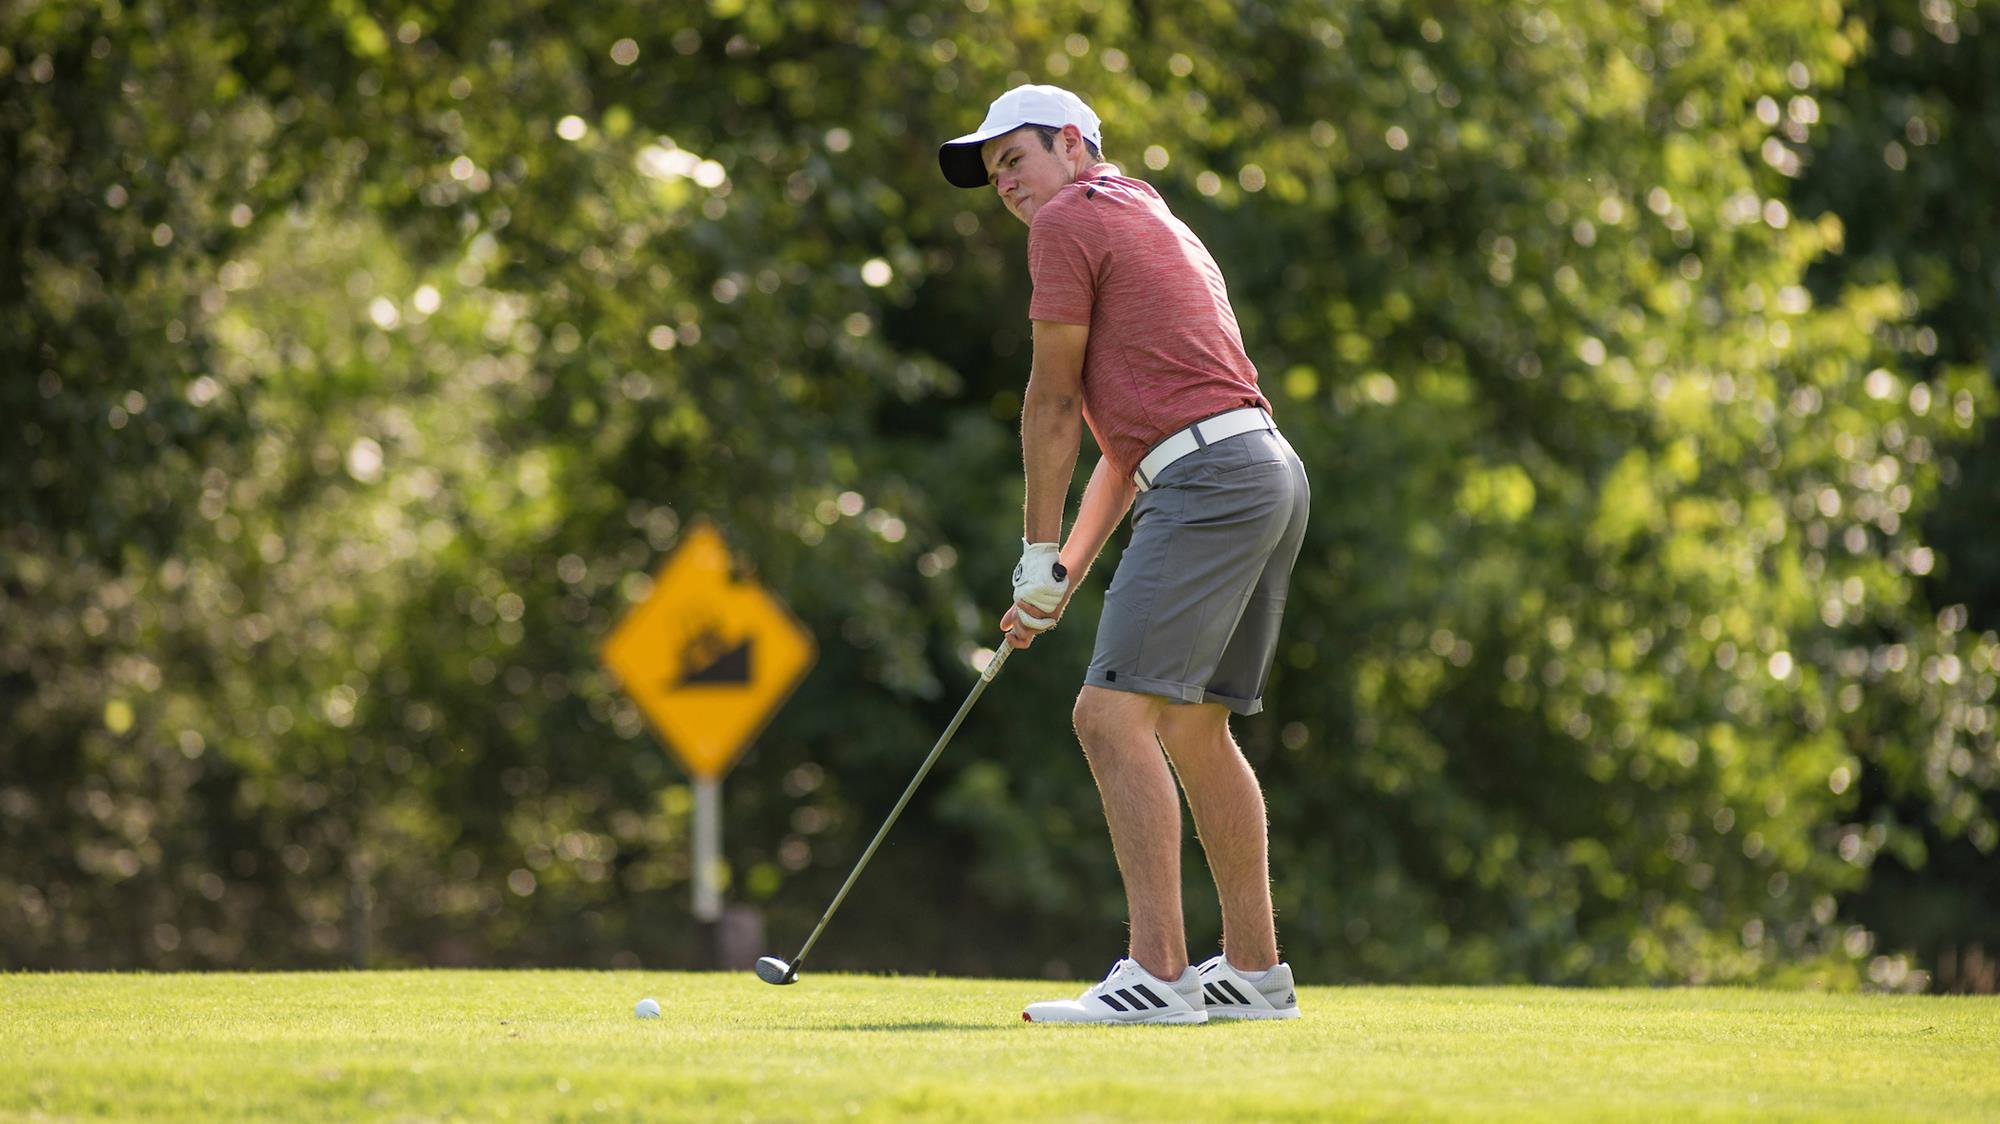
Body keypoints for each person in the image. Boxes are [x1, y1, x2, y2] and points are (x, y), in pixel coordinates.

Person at [938, 85, 1311, 1024]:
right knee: (1192, 726)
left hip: (1213, 480)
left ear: (1072, 144)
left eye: (1014, 159)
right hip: (1263, 470)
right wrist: (1057, 573)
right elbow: (1125, 448)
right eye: (993, 177)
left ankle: (1159, 974)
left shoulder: (1068, 219)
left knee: (1109, 719)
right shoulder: (1153, 215)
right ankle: (1256, 973)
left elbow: (1052, 403)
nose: (1007, 186)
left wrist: (1030, 550)